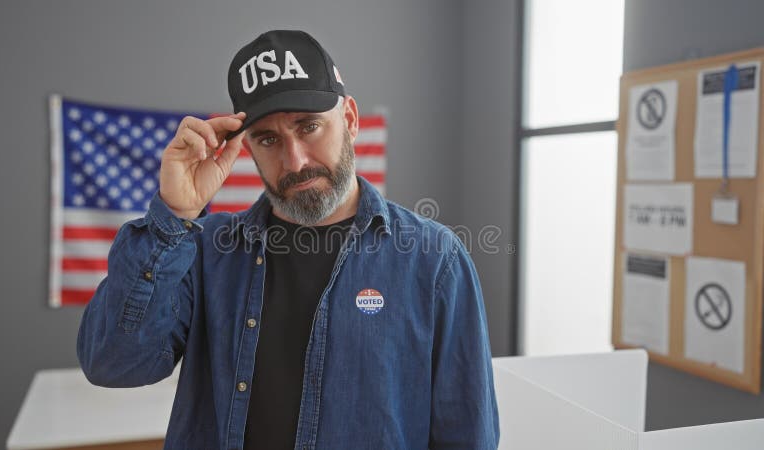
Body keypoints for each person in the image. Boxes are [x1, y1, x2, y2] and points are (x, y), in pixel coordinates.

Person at [77, 29, 500, 450]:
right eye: (268, 139)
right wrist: (175, 215)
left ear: (350, 120)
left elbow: (468, 436)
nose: (295, 160)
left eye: (309, 126)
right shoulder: (204, 250)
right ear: (248, 147)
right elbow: (112, 364)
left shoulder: (434, 258)